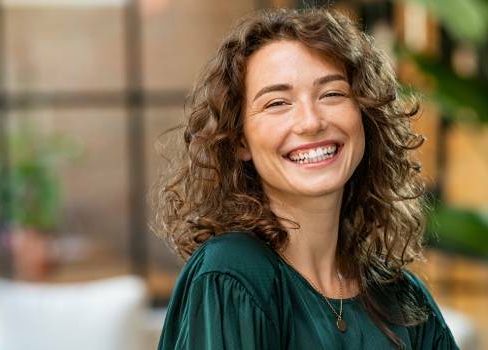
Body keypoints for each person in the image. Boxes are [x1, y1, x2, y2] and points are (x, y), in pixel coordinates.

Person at [153, 7, 459, 350]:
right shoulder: (231, 275)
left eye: (331, 94)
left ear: (364, 116)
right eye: (278, 103)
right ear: (240, 140)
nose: (311, 122)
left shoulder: (403, 299)